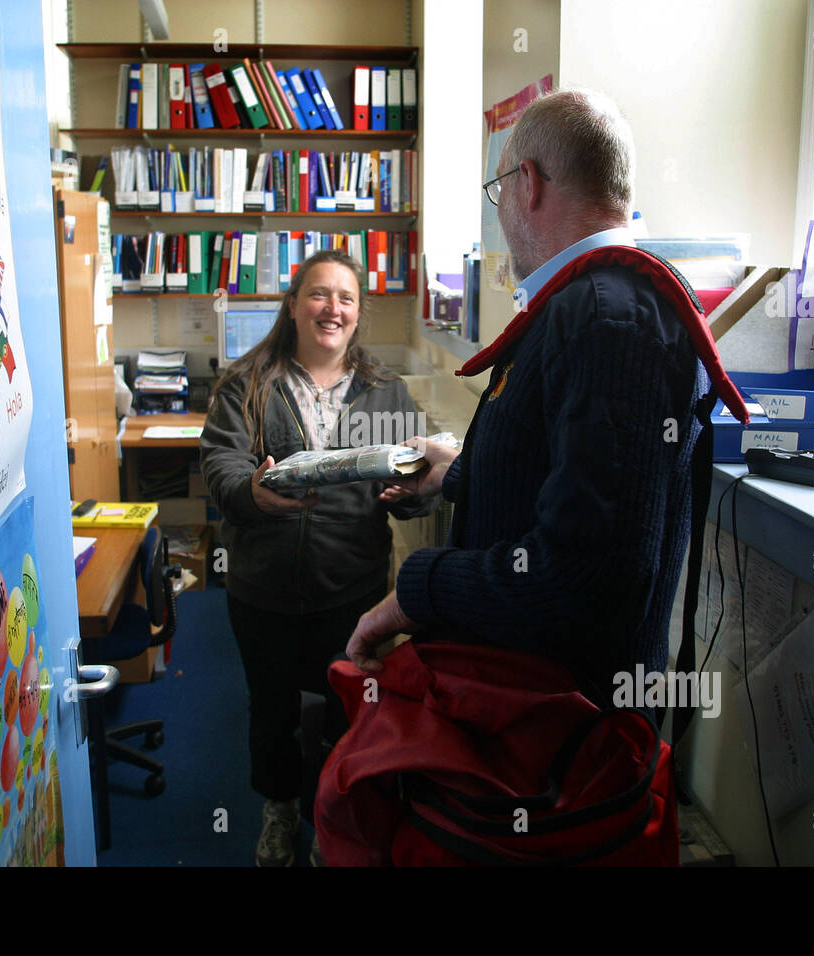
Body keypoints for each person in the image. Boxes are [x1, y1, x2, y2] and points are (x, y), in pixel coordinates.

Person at [345, 88, 721, 715]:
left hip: (557, 745)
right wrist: (457, 472)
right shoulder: (590, 304)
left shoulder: (606, 321)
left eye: (499, 193)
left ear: (528, 183)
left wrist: (416, 591)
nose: (502, 214)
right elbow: (565, 477)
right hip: (531, 716)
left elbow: (583, 576)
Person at [199, 249, 435, 867]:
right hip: (262, 588)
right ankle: (279, 810)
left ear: (359, 314)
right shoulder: (246, 382)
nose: (333, 308)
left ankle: (336, 816)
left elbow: (413, 490)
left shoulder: (387, 394)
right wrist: (247, 491)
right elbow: (221, 461)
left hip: (351, 589)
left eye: (346, 298)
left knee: (350, 709)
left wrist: (408, 494)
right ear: (294, 304)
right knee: (270, 711)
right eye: (319, 294)